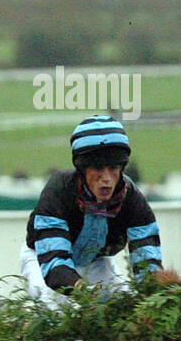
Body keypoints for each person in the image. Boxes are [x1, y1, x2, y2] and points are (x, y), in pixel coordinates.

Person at [20, 115, 164, 309]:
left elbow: (147, 266)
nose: (106, 179)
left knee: (127, 308)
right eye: (98, 168)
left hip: (96, 263)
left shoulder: (134, 200)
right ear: (82, 168)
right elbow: (55, 266)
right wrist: (84, 291)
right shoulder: (58, 190)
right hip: (43, 261)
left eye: (113, 168)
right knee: (54, 311)